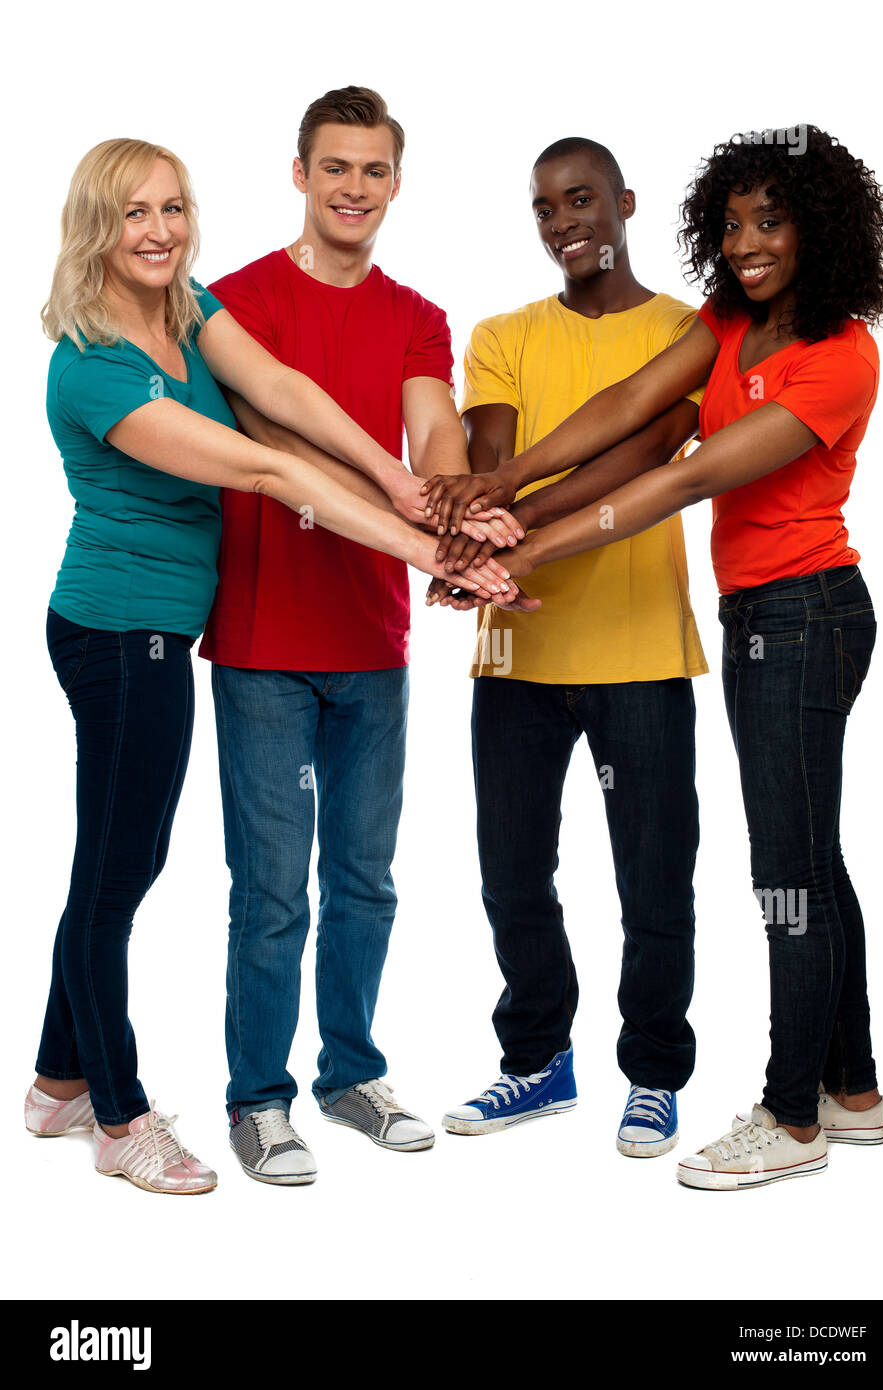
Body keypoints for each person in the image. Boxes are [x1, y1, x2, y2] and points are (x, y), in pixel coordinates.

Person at [26, 136, 514, 1196]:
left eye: (171, 208)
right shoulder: (93, 362)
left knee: (119, 867)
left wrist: (397, 479)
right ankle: (117, 1116)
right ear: (93, 231)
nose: (157, 231)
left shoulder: (187, 309)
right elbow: (260, 460)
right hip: (119, 634)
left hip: (157, 636)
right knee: (113, 883)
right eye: (131, 215)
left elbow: (283, 391)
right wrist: (435, 550)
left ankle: (59, 1076)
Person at [424, 124, 883, 1189]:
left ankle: (790, 1116)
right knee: (810, 864)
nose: (745, 243)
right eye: (731, 224)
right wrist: (500, 488)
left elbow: (677, 477)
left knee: (785, 878)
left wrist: (526, 540)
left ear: (819, 227)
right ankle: (851, 1088)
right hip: (759, 619)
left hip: (806, 616)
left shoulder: (840, 356)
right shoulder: (730, 322)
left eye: (769, 221)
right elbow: (627, 404)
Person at [195, 87, 523, 1185]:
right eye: (333, 167)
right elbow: (273, 431)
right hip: (260, 639)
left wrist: (454, 504)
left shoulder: (417, 316)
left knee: (367, 877)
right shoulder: (229, 304)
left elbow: (430, 426)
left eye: (372, 171)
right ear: (298, 173)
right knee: (273, 885)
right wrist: (418, 516)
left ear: (395, 184)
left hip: (374, 637)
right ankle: (257, 1096)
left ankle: (350, 1074)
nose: (351, 188)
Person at [426, 137, 708, 1157]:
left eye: (580, 199)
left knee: (654, 875)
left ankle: (653, 1072)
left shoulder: (689, 329)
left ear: (625, 202)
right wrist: (479, 535)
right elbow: (487, 456)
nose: (563, 222)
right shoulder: (502, 333)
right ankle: (536, 1061)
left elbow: (644, 448)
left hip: (637, 647)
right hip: (513, 651)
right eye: (544, 208)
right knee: (510, 870)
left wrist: (505, 528)